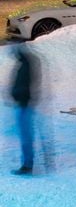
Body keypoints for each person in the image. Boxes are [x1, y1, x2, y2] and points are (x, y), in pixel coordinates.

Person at [9, 46, 39, 175]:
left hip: (24, 104)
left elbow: (23, 86)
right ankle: (27, 163)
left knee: (25, 135)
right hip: (22, 104)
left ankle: (27, 165)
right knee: (25, 135)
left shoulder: (25, 66)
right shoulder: (23, 65)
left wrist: (16, 94)